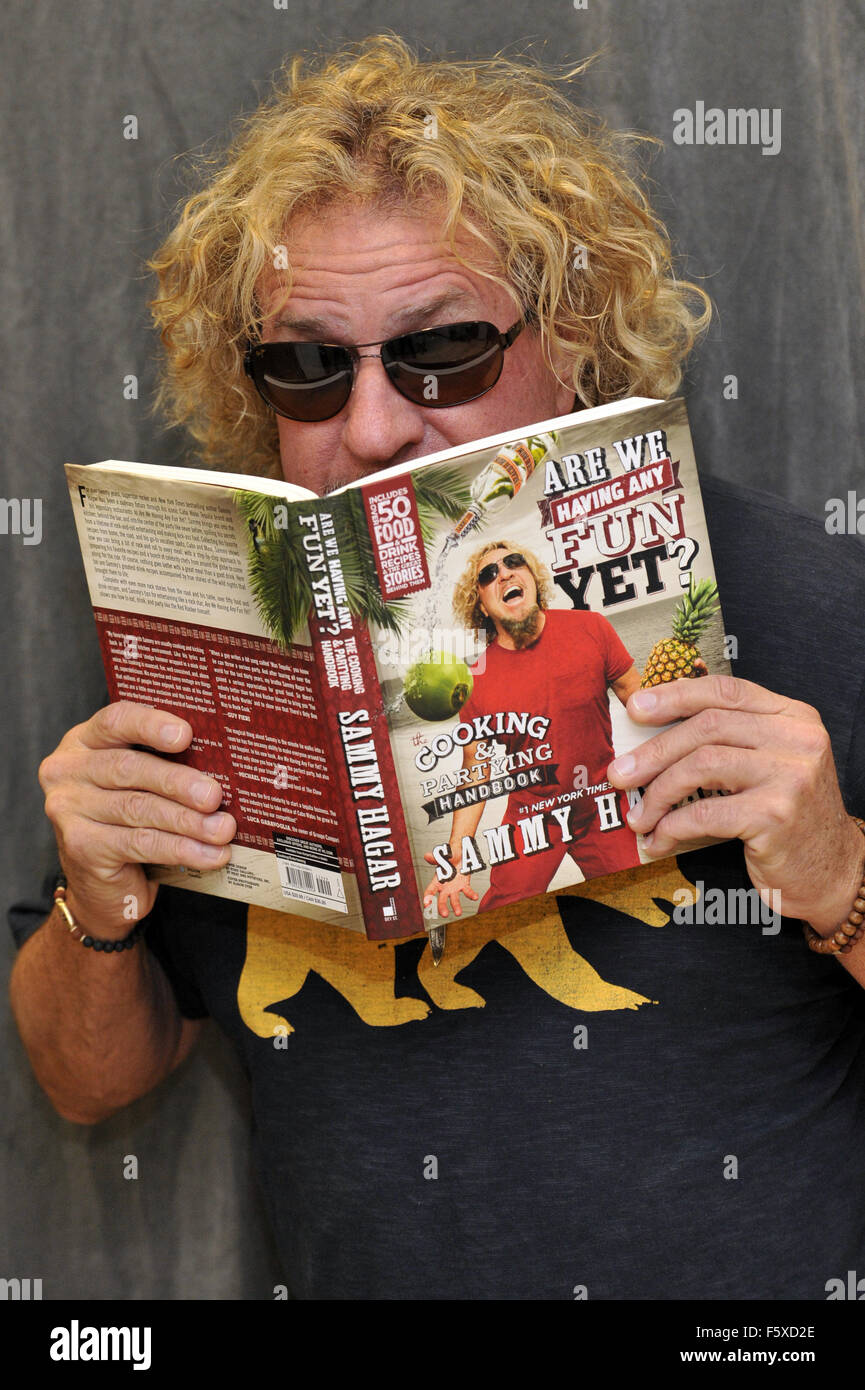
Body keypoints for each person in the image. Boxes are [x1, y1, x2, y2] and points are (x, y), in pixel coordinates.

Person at [9, 35, 865, 1300]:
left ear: (571, 336)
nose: (370, 425)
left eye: (442, 350)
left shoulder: (804, 597)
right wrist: (98, 897)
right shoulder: (227, 636)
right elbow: (87, 1081)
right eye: (305, 366)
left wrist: (841, 879)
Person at [422, 541, 642, 917]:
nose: (503, 572)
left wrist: (683, 689)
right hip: (534, 817)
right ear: (480, 603)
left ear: (532, 577)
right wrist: (457, 852)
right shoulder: (476, 683)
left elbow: (640, 700)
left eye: (512, 562)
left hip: (602, 804)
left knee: (635, 906)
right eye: (488, 574)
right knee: (501, 921)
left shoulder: (592, 629)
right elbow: (478, 773)